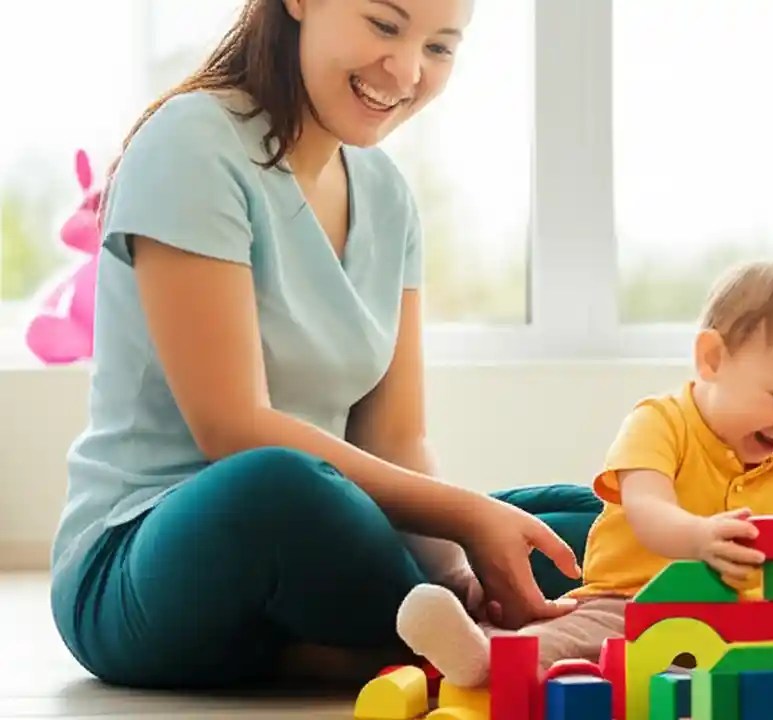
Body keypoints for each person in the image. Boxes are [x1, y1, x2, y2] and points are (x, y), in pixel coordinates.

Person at [48, 0, 592, 690]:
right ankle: (453, 642)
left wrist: (456, 563)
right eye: (385, 25)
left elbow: (395, 439)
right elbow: (233, 430)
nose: (406, 70)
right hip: (143, 560)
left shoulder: (386, 194)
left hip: (330, 531)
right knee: (281, 486)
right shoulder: (191, 142)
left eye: (441, 47)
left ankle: (406, 642)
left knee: (585, 524)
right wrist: (466, 518)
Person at [399, 260, 773, 685]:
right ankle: (483, 656)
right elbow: (647, 508)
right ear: (712, 359)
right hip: (633, 601)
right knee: (576, 641)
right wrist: (698, 539)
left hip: (743, 622)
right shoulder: (661, 422)